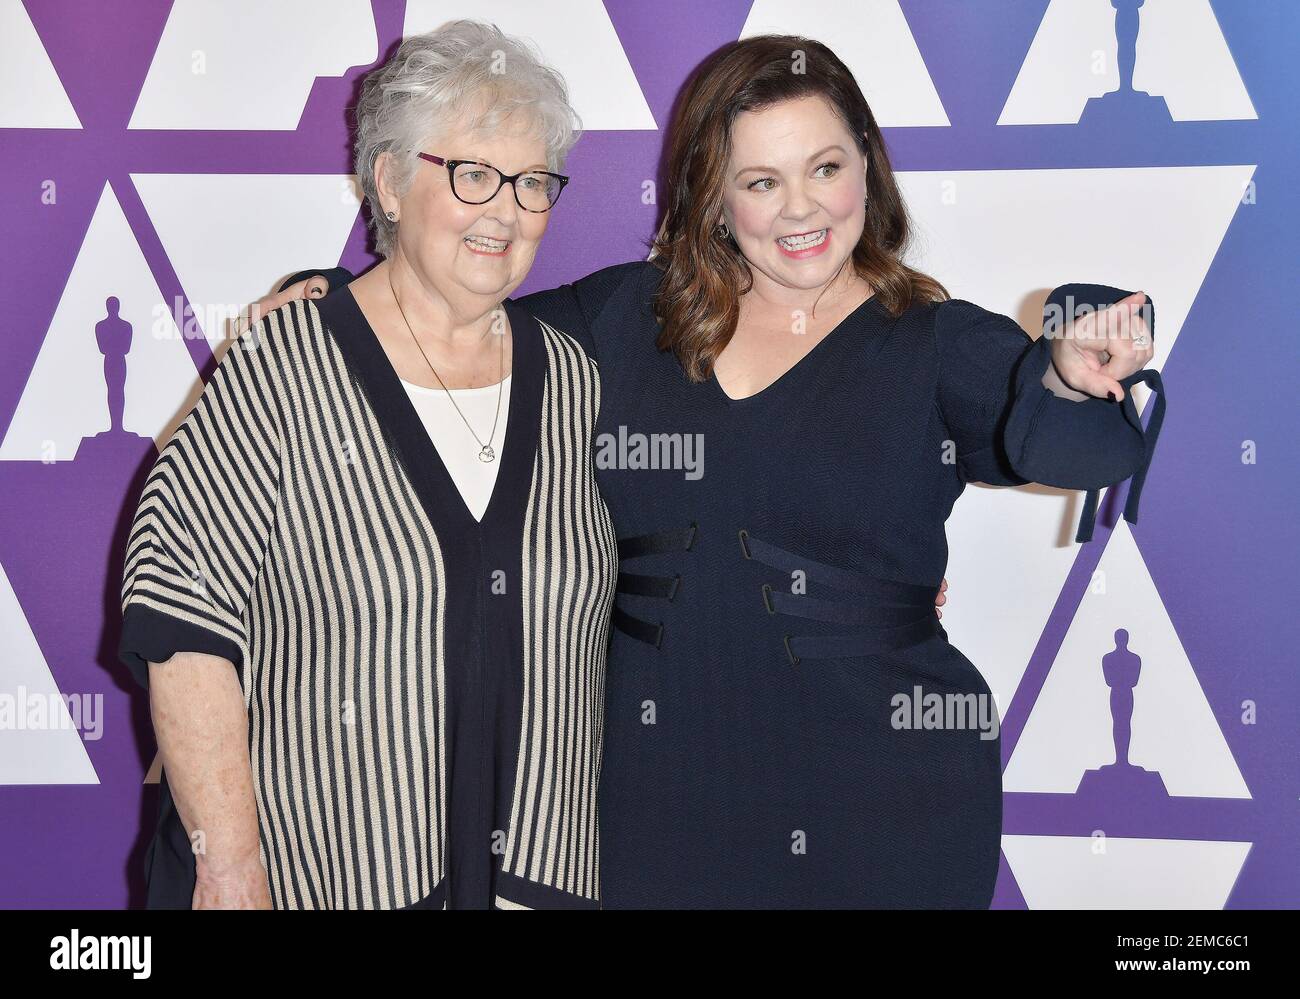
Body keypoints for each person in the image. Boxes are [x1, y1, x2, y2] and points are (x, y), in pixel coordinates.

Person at [266, 34, 1163, 907]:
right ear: (715, 198)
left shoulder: (934, 341)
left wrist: (1069, 372)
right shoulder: (626, 316)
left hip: (885, 811)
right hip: (651, 809)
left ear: (868, 168)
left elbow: (1051, 432)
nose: (802, 209)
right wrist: (332, 300)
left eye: (826, 168)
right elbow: (454, 331)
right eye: (761, 182)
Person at [118, 21, 617, 909]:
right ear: (388, 181)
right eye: (470, 173)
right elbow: (183, 619)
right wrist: (229, 871)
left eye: (533, 182)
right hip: (325, 883)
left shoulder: (572, 379)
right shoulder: (285, 361)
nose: (504, 210)